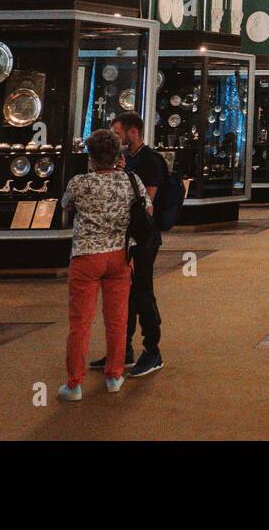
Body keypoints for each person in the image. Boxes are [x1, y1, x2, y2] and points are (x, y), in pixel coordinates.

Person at [58, 129, 142, 401]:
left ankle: (74, 384)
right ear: (118, 155)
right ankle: (114, 375)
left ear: (91, 156)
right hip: (119, 256)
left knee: (80, 322)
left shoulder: (80, 183)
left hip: (86, 256)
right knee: (117, 320)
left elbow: (65, 205)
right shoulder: (130, 181)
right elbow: (147, 209)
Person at [102, 111, 166, 379]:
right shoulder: (123, 160)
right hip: (124, 238)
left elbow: (146, 205)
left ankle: (152, 351)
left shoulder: (151, 160)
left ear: (132, 132)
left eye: (118, 134)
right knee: (124, 294)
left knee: (142, 292)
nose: (115, 140)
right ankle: (123, 349)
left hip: (144, 238)